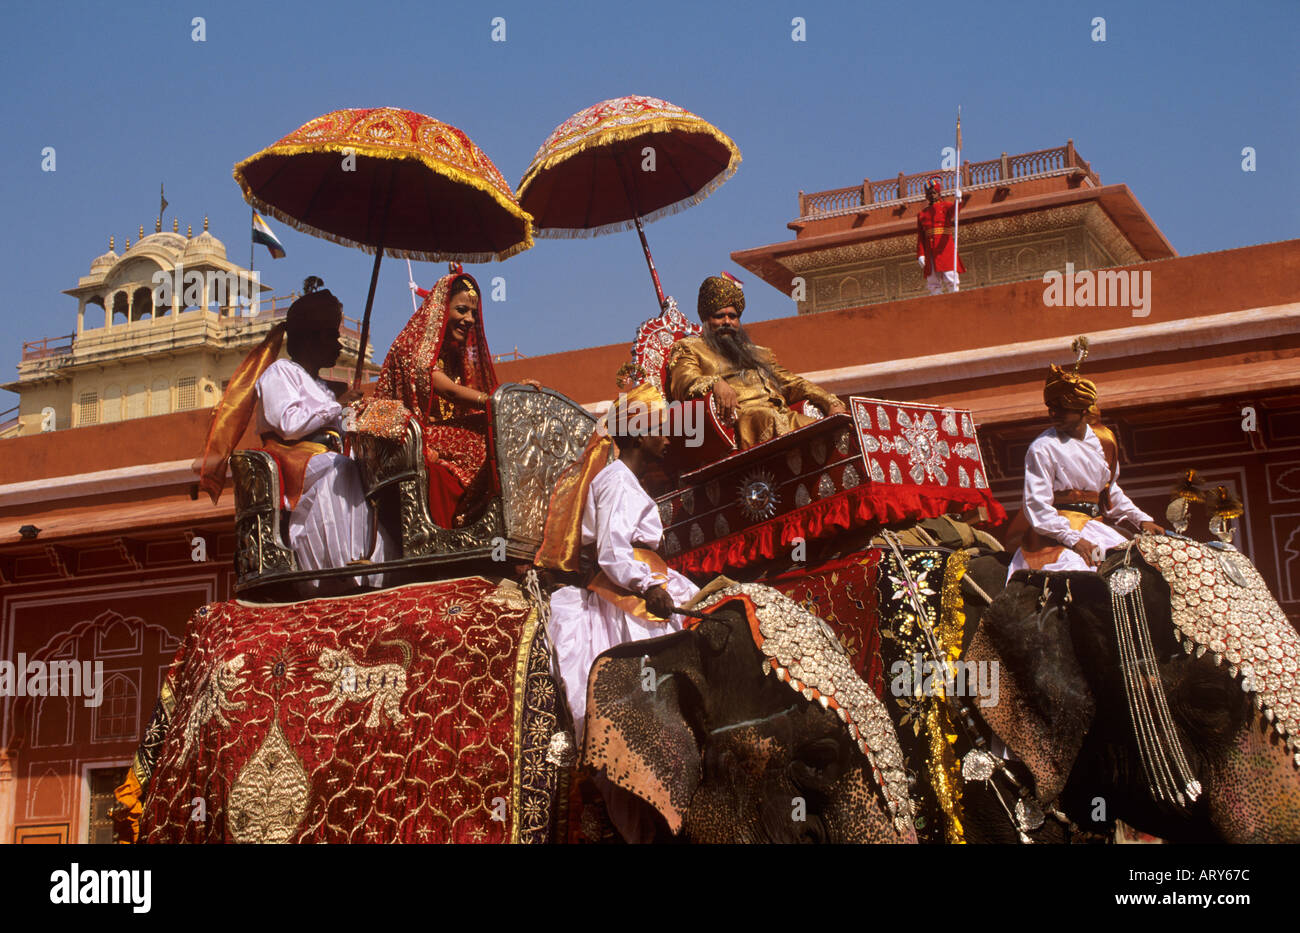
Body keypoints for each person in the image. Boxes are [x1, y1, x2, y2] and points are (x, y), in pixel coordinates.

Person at [540, 382, 699, 745]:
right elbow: (612, 551)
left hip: (644, 577)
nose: (669, 439)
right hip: (623, 593)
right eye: (660, 430)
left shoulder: (627, 481)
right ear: (640, 437)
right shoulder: (616, 482)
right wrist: (647, 587)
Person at [194, 277, 386, 577]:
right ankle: (337, 567)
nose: (338, 344)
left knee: (366, 471)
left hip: (327, 459)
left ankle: (370, 563)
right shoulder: (280, 373)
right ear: (310, 339)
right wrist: (337, 405)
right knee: (342, 469)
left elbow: (342, 432)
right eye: (331, 336)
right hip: (294, 460)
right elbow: (289, 424)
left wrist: (355, 413)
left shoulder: (325, 387)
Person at [357, 270, 523, 528]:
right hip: (413, 437)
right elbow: (449, 391)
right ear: (441, 309)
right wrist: (493, 401)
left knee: (496, 430)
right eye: (461, 310)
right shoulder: (412, 346)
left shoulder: (454, 353)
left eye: (473, 314)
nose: (469, 319)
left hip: (442, 431)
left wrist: (510, 394)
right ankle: (468, 522)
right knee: (483, 435)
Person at [1008, 353, 1162, 577]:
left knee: (1138, 569)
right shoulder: (1042, 448)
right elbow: (1037, 505)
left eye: (1062, 408)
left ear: (1082, 410)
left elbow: (1109, 490)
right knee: (1079, 574)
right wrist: (1074, 540)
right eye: (1051, 407)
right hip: (1055, 536)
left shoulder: (1104, 440)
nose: (1053, 414)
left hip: (1095, 527)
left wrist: (1141, 518)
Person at [666, 273, 845, 449]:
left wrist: (829, 401)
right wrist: (715, 382)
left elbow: (792, 383)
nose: (727, 321)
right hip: (746, 421)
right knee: (770, 419)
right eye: (720, 316)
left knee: (832, 428)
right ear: (706, 319)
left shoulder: (758, 354)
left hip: (781, 418)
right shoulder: (690, 347)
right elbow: (683, 382)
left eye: (733, 316)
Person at [917, 177, 965, 295]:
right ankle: (936, 294)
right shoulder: (922, 214)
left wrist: (958, 200)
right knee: (932, 275)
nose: (931, 196)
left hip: (944, 246)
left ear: (938, 193)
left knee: (949, 272)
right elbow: (921, 237)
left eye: (933, 193)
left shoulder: (946, 206)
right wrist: (921, 254)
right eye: (928, 193)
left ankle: (954, 292)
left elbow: (955, 211)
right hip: (930, 248)